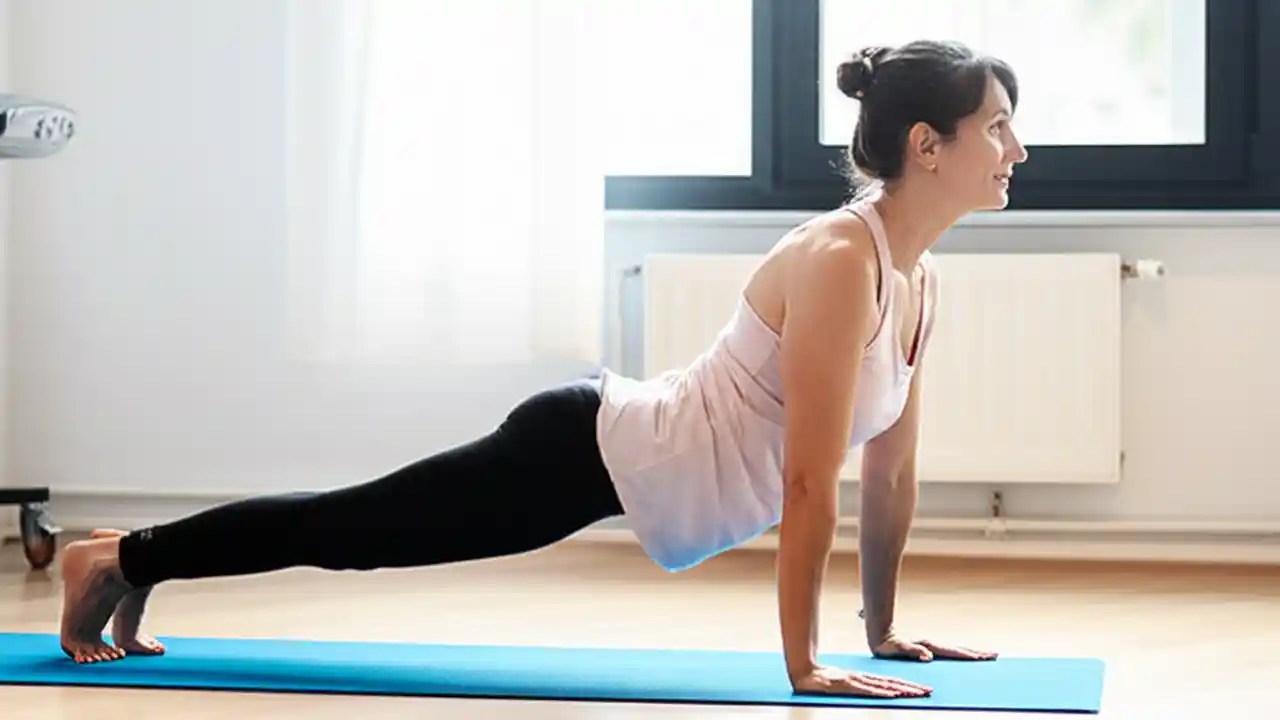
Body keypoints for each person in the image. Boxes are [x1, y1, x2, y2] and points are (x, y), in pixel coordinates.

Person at [58, 38, 1028, 700]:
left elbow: (888, 472)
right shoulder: (836, 263)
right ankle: (115, 558)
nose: (1015, 149)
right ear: (924, 146)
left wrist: (883, 631)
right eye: (995, 127)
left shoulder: (915, 279)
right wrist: (803, 666)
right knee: (354, 530)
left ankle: (131, 555)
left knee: (354, 526)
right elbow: (812, 480)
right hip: (584, 450)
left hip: (617, 458)